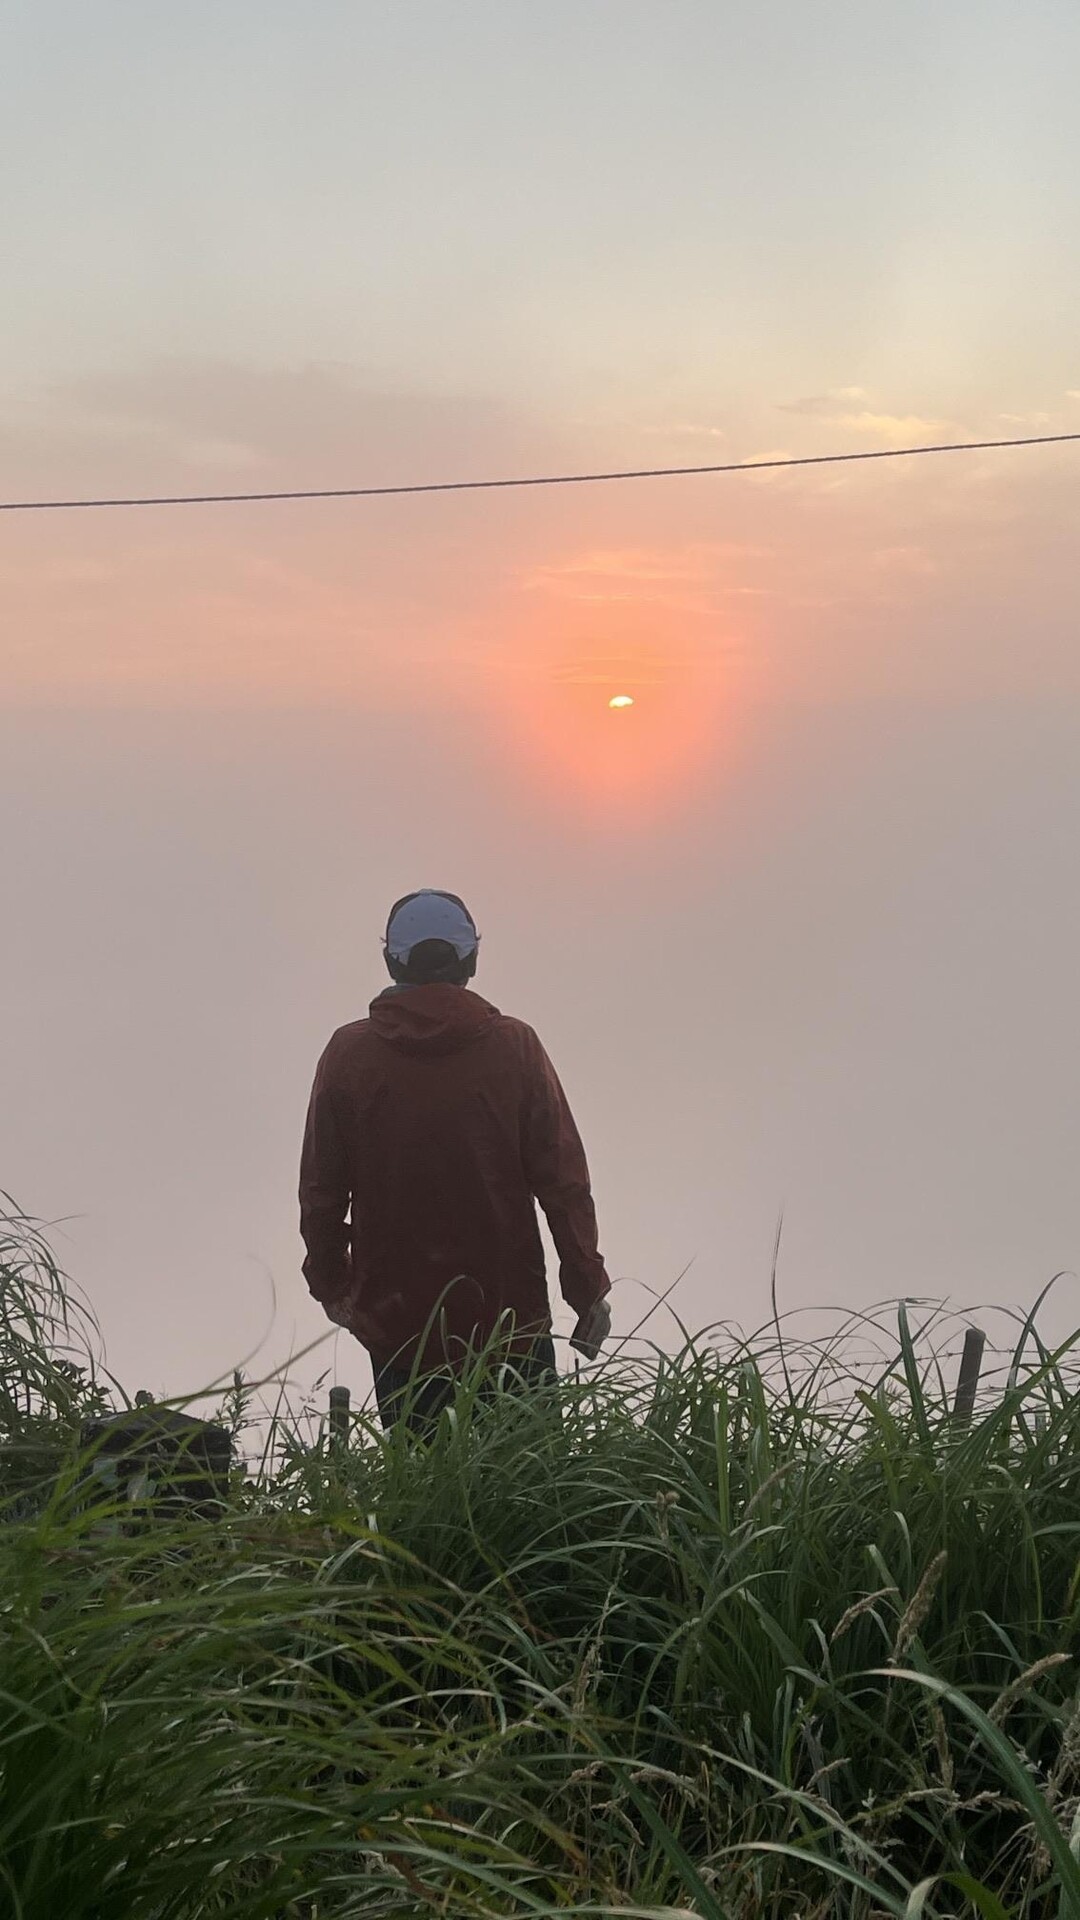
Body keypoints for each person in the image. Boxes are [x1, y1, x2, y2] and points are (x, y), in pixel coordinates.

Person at [299, 889, 612, 1432]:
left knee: (423, 1500)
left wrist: (333, 1287)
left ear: (391, 960)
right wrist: (586, 1289)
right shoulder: (515, 1047)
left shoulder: (348, 1056)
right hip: (511, 1323)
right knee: (533, 1495)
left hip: (400, 1329)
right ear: (471, 959)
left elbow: (322, 1193)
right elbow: (563, 1184)